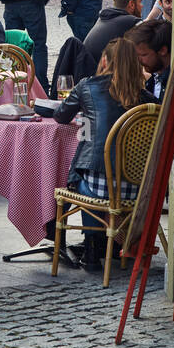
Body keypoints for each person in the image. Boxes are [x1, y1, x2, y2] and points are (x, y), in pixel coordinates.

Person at [53, 38, 155, 270]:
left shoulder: (87, 86)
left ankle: (92, 248)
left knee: (82, 177)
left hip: (102, 187)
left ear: (106, 60)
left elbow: (61, 116)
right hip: (137, 188)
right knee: (98, 177)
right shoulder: (147, 99)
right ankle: (113, 243)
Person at [83, 0, 143, 64]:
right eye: (140, 2)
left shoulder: (105, 17)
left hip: (86, 70)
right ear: (131, 4)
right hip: (100, 73)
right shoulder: (130, 21)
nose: (142, 6)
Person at [126, 18, 173, 102]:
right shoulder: (154, 78)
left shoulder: (172, 83)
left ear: (162, 51)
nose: (138, 61)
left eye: (143, 55)